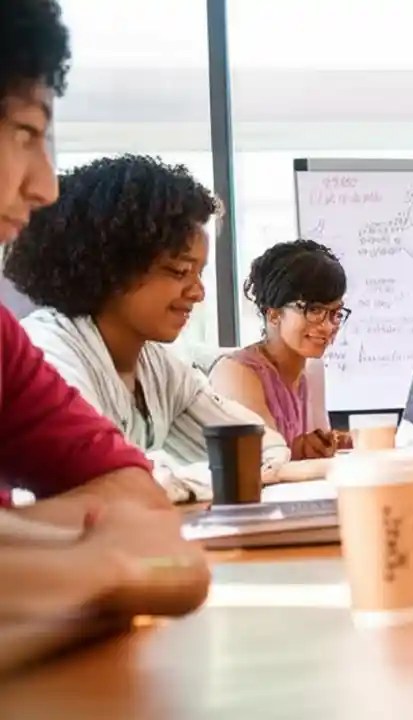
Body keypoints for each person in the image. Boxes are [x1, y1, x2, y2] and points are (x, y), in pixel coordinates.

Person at [0, 0, 207, 623]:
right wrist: (109, 564)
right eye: (25, 134)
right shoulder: (54, 342)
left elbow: (161, 536)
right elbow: (150, 554)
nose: (45, 186)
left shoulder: (3, 344)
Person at [4, 153, 290, 503]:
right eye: (179, 271)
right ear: (112, 266)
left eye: (199, 274)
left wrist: (183, 478)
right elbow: (109, 481)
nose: (198, 293)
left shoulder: (157, 365)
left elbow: (258, 448)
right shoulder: (47, 351)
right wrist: (209, 476)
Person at [210, 239, 347, 460]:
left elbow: (320, 455)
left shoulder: (312, 369)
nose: (328, 325)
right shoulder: (237, 373)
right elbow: (263, 462)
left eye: (336, 313)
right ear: (273, 313)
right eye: (314, 310)